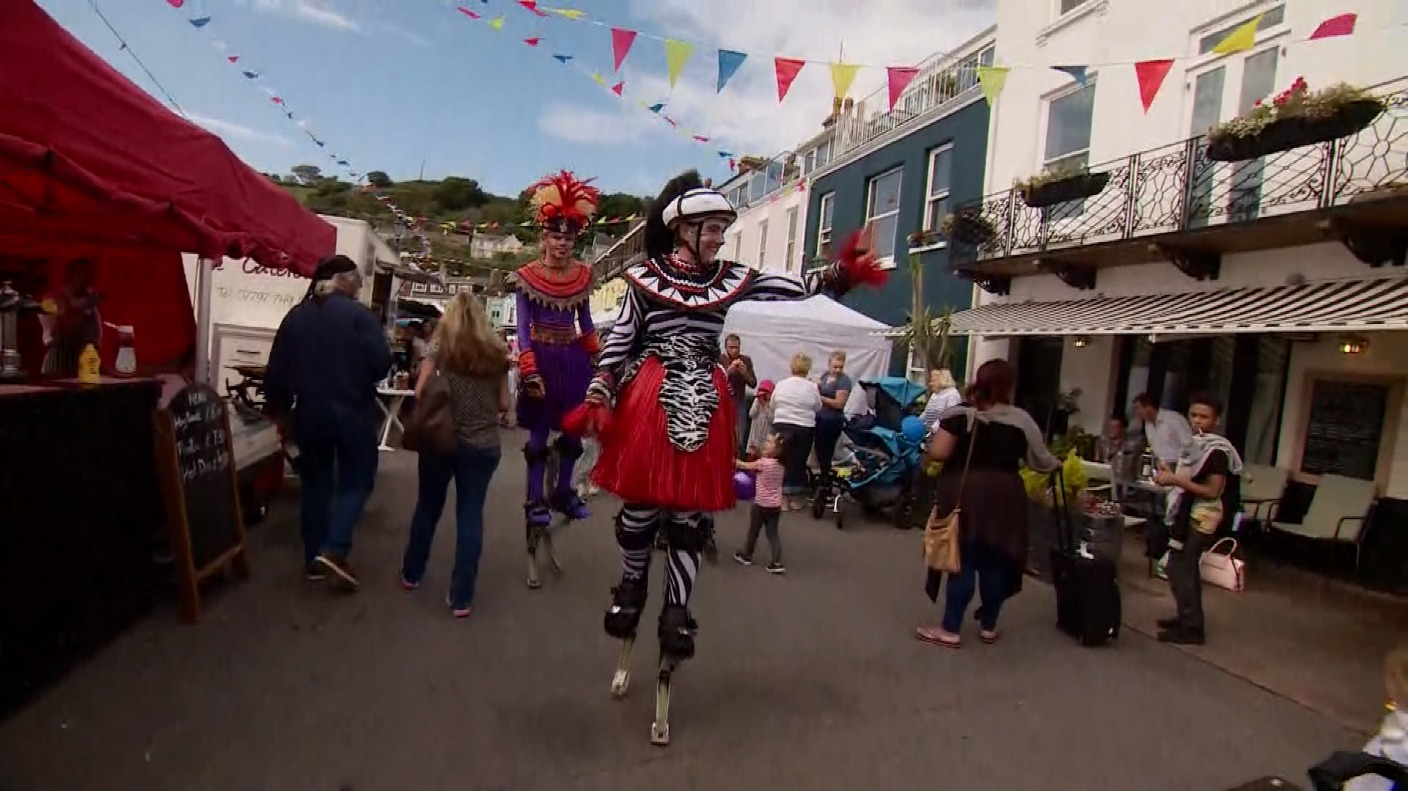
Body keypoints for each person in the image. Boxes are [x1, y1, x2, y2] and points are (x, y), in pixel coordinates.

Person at [565, 169, 884, 669]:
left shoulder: (731, 279)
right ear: (683, 230)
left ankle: (677, 611)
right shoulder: (644, 280)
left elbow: (793, 287)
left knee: (690, 517)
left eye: (721, 228)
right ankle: (631, 585)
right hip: (652, 397)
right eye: (710, 228)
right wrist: (600, 392)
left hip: (706, 401)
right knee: (641, 510)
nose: (718, 237)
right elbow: (621, 340)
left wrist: (844, 273)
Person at [265, 254, 392, 590]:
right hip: (352, 410)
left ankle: (313, 560)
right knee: (357, 480)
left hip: (308, 412)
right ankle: (335, 548)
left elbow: (275, 371)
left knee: (316, 483)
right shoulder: (359, 316)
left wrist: (278, 409)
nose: (360, 285)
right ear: (342, 280)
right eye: (357, 279)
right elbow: (381, 364)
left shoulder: (296, 316)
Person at [915, 359, 1059, 649]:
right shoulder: (1021, 420)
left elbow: (940, 452)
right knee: (995, 557)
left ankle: (950, 628)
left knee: (963, 558)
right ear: (1009, 386)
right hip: (1006, 496)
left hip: (965, 492)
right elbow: (1041, 462)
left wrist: (929, 449)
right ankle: (989, 625)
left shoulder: (959, 415)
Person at [398, 292, 509, 618]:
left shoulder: (438, 348)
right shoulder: (496, 352)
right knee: (470, 515)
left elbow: (419, 392)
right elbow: (504, 404)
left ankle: (411, 574)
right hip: (482, 445)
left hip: (440, 441)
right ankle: (461, 598)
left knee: (428, 506)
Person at [508, 170, 601, 530]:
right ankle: (534, 500)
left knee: (574, 432)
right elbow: (522, 329)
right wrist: (528, 368)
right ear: (543, 238)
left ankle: (563, 491)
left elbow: (587, 323)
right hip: (543, 359)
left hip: (574, 361)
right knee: (539, 435)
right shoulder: (526, 277)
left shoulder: (582, 276)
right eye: (556, 236)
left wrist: (600, 363)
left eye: (569, 237)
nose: (563, 243)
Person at [1152, 393, 1243, 645]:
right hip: (1185, 511)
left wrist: (1176, 480)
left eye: (1204, 416)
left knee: (1186, 568)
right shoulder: (1193, 445)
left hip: (1203, 515)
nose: (1197, 421)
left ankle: (1192, 626)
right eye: (1193, 415)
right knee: (1174, 566)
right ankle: (1184, 615)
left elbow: (1213, 491)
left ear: (1216, 420)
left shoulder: (1217, 451)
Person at [771, 353, 822, 511]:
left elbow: (773, 404)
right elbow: (818, 406)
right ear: (807, 368)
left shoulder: (781, 384)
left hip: (782, 423)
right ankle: (795, 498)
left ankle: (781, 498)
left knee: (781, 460)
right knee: (798, 462)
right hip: (803, 427)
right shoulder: (811, 387)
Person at [38, 257, 103, 378]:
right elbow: (61, 329)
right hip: (60, 363)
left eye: (90, 274)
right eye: (82, 273)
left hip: (86, 364)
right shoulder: (52, 299)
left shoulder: (89, 300)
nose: (87, 279)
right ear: (69, 275)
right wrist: (83, 306)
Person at [733, 432, 786, 574]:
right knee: (773, 534)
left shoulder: (763, 463)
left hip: (760, 505)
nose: (765, 444)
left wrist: (732, 460)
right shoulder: (781, 465)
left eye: (769, 443)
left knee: (753, 532)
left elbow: (744, 465)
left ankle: (747, 555)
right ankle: (776, 562)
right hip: (775, 506)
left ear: (777, 450)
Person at [813, 350, 853, 483]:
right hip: (819, 418)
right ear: (829, 364)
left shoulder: (844, 381)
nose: (837, 370)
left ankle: (826, 480)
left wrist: (820, 398)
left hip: (832, 421)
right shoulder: (825, 376)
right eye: (835, 367)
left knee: (827, 451)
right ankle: (821, 476)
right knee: (819, 450)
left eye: (840, 367)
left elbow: (839, 404)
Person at [720, 333, 756, 456]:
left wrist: (744, 372)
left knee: (740, 434)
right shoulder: (720, 360)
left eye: (736, 347)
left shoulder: (746, 360)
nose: (734, 350)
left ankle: (738, 458)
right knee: (723, 433)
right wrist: (728, 371)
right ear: (726, 348)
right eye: (731, 347)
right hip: (723, 402)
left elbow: (753, 383)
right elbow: (716, 380)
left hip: (739, 400)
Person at [1133, 392, 1193, 467]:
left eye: (1137, 407)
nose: (1137, 412)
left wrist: (1182, 465)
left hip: (1177, 465)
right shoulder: (1148, 425)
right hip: (1160, 465)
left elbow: (1188, 444)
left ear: (1148, 406)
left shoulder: (1173, 419)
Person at [744, 379, 776, 460]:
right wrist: (758, 404)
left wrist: (766, 406)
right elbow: (751, 414)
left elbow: (771, 420)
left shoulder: (772, 404)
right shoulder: (756, 401)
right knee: (751, 455)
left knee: (763, 454)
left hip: (765, 434)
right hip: (755, 434)